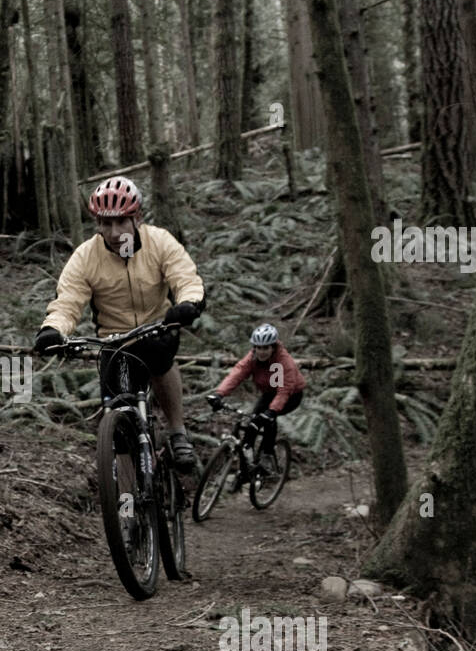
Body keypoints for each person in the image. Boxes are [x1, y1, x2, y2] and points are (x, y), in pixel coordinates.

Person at [32, 176, 205, 470]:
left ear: (136, 218)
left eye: (121, 222)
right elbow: (68, 301)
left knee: (160, 359)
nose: (113, 232)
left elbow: (185, 278)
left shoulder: (160, 242)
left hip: (158, 329)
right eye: (104, 223)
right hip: (115, 340)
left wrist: (187, 304)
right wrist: (53, 330)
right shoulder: (86, 256)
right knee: (121, 437)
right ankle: (126, 504)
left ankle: (177, 432)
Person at [207, 323, 306, 474]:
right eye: (258, 347)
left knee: (267, 418)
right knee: (252, 424)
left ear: (273, 347)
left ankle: (267, 456)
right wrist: (219, 394)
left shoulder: (281, 362)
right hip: (270, 393)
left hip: (291, 396)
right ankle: (246, 468)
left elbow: (283, 391)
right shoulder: (252, 357)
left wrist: (271, 411)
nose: (261, 351)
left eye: (265, 348)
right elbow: (238, 373)